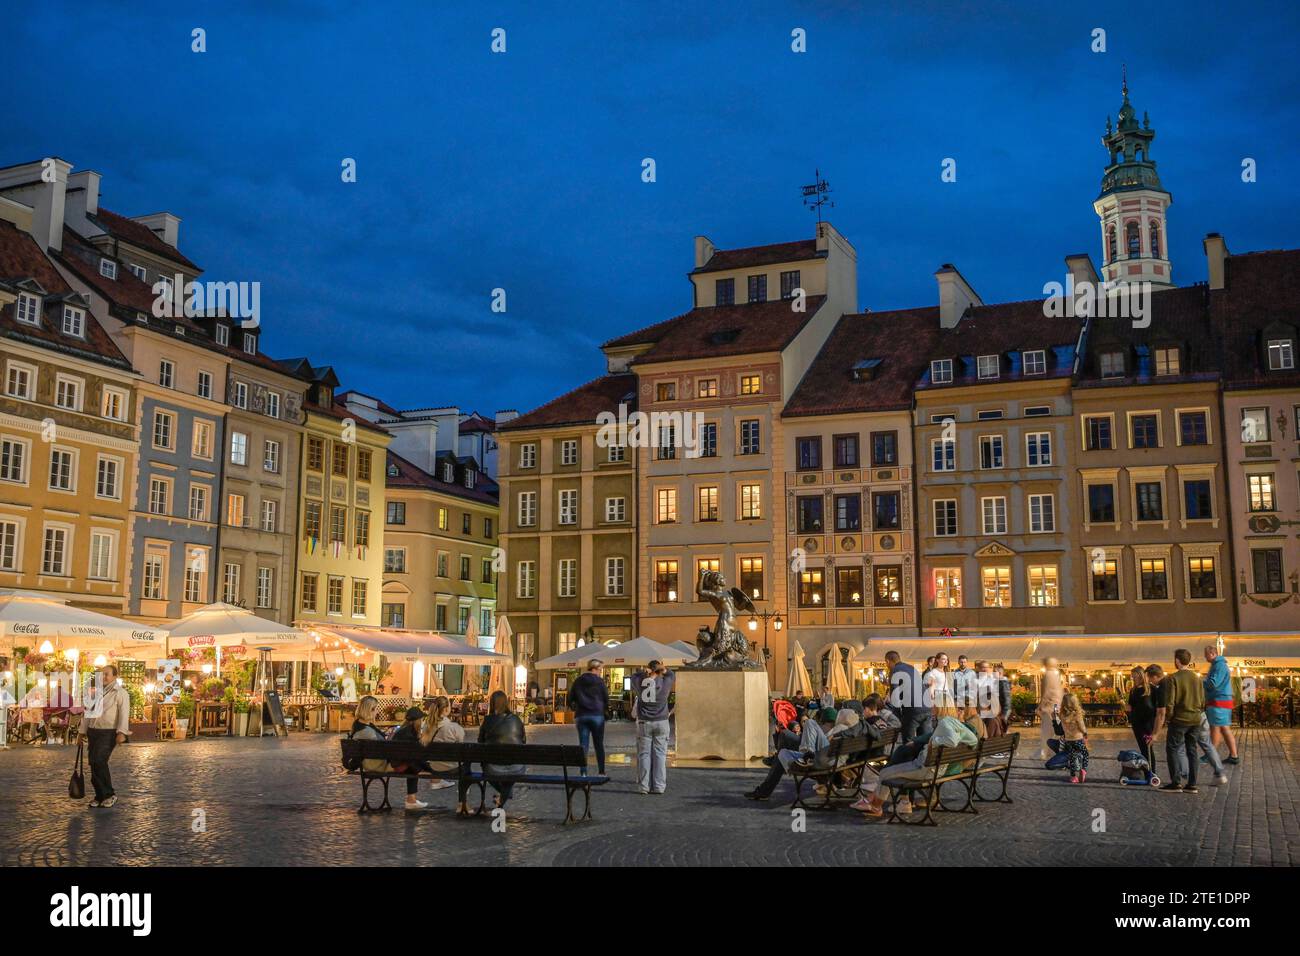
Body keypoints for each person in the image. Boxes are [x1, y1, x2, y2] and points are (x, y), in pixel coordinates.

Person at [857, 714, 977, 818]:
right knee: (895, 765)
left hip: (924, 769)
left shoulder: (945, 722)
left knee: (885, 773)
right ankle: (884, 803)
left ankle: (877, 807)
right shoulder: (958, 726)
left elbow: (952, 741)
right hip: (935, 769)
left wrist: (933, 742)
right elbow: (974, 741)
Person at [1154, 650, 1208, 793]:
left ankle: (1176, 782)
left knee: (1172, 749)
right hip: (1196, 718)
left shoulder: (1174, 678)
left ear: (1177, 661)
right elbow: (1203, 700)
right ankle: (1192, 784)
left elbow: (1170, 702)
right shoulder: (1197, 678)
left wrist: (1169, 718)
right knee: (1192, 750)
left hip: (1180, 719)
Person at [79, 663, 131, 809]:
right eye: (102, 674)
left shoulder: (120, 693)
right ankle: (99, 795)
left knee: (99, 760)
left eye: (107, 674)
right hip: (93, 731)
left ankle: (109, 794)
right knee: (93, 763)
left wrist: (122, 732)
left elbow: (124, 713)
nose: (104, 677)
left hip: (108, 732)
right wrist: (81, 732)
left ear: (115, 676)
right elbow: (87, 713)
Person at [632, 660, 674, 795]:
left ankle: (644, 787)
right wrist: (663, 668)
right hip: (661, 721)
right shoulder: (666, 682)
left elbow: (634, 676)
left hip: (644, 722)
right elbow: (671, 674)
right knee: (660, 755)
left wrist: (643, 671)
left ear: (649, 669)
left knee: (644, 755)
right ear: (660, 670)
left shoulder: (640, 683)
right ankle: (659, 786)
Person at [478, 690, 526, 807]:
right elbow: (524, 742)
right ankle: (506, 793)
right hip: (517, 768)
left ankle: (505, 793)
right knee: (509, 772)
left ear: (492, 703)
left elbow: (480, 742)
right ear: (506, 702)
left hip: (493, 768)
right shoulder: (517, 720)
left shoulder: (488, 720)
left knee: (485, 766)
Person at [567, 659, 609, 775]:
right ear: (594, 669)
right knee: (599, 744)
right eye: (600, 669)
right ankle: (601, 771)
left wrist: (576, 707)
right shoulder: (600, 682)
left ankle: (583, 773)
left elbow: (570, 698)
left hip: (582, 715)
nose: (601, 672)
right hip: (597, 715)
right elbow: (606, 698)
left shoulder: (578, 680)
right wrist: (604, 709)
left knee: (583, 745)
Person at [390, 706, 434, 810]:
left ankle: (412, 799)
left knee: (414, 763)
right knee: (415, 765)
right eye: (421, 719)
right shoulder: (410, 733)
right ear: (417, 720)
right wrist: (430, 768)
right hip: (401, 765)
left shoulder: (402, 730)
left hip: (397, 762)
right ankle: (411, 800)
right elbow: (416, 755)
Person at [1202, 645, 1239, 765]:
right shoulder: (1219, 665)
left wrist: (1201, 681)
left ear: (1212, 654)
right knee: (1222, 728)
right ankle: (1233, 756)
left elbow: (1214, 683)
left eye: (1206, 654)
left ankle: (1211, 755)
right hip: (1222, 700)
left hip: (1218, 700)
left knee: (1217, 727)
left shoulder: (1219, 665)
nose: (1205, 657)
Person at [419, 695, 464, 792]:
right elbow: (461, 745)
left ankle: (436, 780)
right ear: (446, 709)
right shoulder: (453, 727)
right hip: (451, 767)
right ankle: (464, 791)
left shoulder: (427, 725)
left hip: (432, 765)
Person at [885, 651, 930, 742]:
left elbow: (895, 697)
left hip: (912, 711)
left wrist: (898, 717)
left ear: (887, 661)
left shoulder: (894, 671)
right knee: (925, 742)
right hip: (927, 707)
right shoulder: (911, 668)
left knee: (908, 744)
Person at [1125, 666, 1159, 780]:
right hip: (1137, 723)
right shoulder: (1133, 690)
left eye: (1134, 675)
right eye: (1132, 676)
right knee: (1143, 748)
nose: (1133, 678)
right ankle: (1148, 772)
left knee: (1148, 748)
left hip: (1148, 723)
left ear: (1140, 675)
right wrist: (1128, 711)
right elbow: (1130, 705)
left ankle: (1152, 772)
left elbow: (1156, 706)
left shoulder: (1151, 689)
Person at [1059, 692, 1089, 784]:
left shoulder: (1062, 715)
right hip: (1078, 738)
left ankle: (1073, 777)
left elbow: (1063, 727)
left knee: (1072, 757)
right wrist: (1085, 732)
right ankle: (1083, 770)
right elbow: (1081, 726)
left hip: (1068, 740)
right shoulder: (1077, 714)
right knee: (1085, 754)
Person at [1038, 657, 1063, 760]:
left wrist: (1040, 705)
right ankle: (1054, 751)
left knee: (1047, 730)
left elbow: (1047, 692)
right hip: (1057, 706)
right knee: (1056, 728)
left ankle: (1045, 752)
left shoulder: (1048, 674)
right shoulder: (1057, 674)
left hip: (1049, 707)